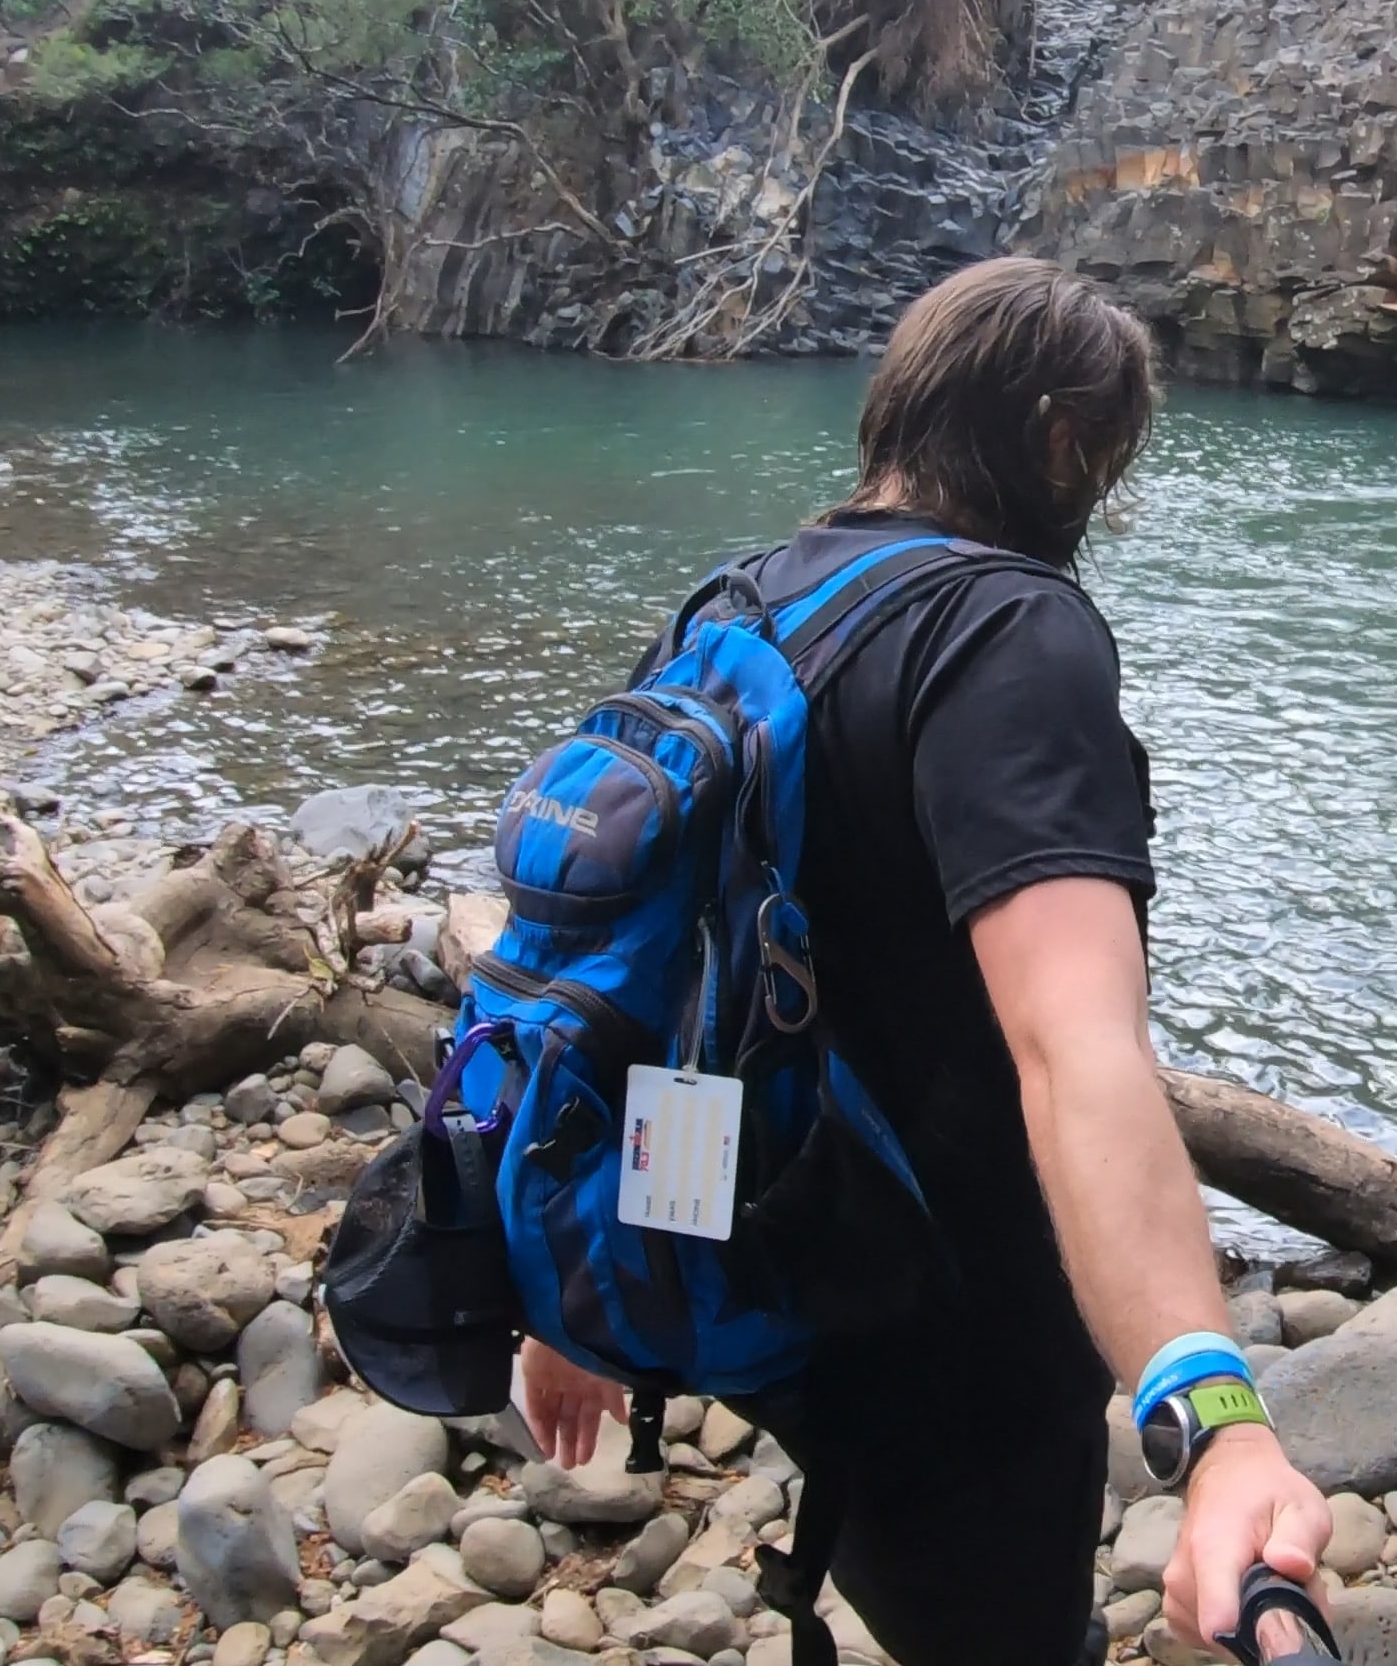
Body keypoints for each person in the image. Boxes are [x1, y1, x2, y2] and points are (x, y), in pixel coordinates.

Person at [509, 257, 1331, 1665]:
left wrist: (590, 1281)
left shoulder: (738, 605)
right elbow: (1074, 1045)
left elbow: (662, 975)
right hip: (949, 1334)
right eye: (1109, 459)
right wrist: (1216, 1426)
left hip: (776, 1270)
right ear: (1065, 442)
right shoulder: (1010, 632)